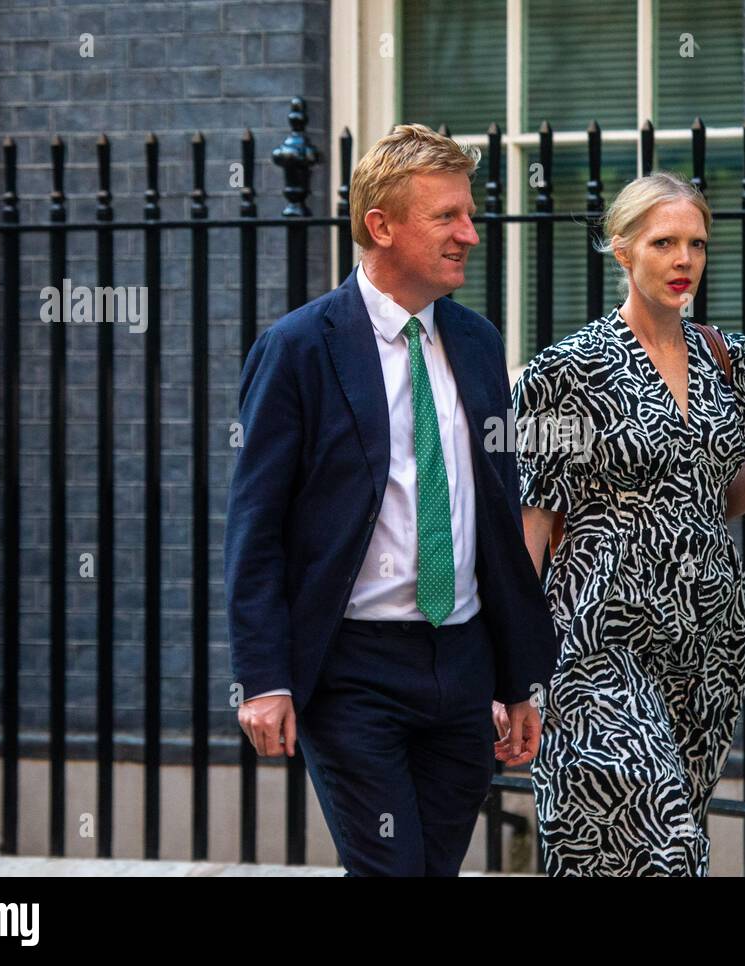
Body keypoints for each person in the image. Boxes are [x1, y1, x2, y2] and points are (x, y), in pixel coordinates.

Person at [225, 123, 558, 876]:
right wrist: (265, 676)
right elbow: (256, 525)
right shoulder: (301, 348)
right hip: (353, 670)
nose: (470, 235)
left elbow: (497, 517)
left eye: (468, 215)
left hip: (463, 663)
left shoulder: (475, 342)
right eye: (447, 217)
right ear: (380, 225)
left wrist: (517, 680)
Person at [504, 171, 745, 875]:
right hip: (597, 642)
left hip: (708, 641)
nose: (685, 261)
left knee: (623, 853)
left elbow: (720, 501)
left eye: (698, 244)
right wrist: (512, 667)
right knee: (668, 842)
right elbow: (532, 523)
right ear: (622, 249)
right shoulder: (568, 370)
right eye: (664, 242)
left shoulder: (722, 358)